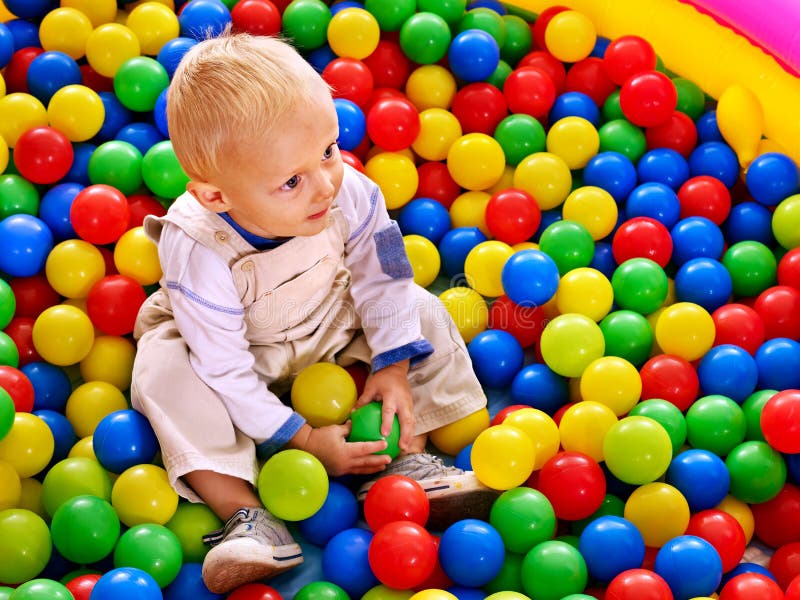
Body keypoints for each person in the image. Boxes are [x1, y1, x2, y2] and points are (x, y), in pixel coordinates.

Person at [131, 30, 494, 595]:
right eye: (292, 181)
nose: (326, 184)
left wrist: (392, 366)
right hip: (235, 354)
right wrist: (301, 441)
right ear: (217, 197)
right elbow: (223, 368)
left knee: (420, 307)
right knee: (163, 371)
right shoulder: (197, 249)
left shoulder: (349, 190)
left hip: (327, 317)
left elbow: (386, 273)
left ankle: (404, 458)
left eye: (327, 150)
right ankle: (246, 515)